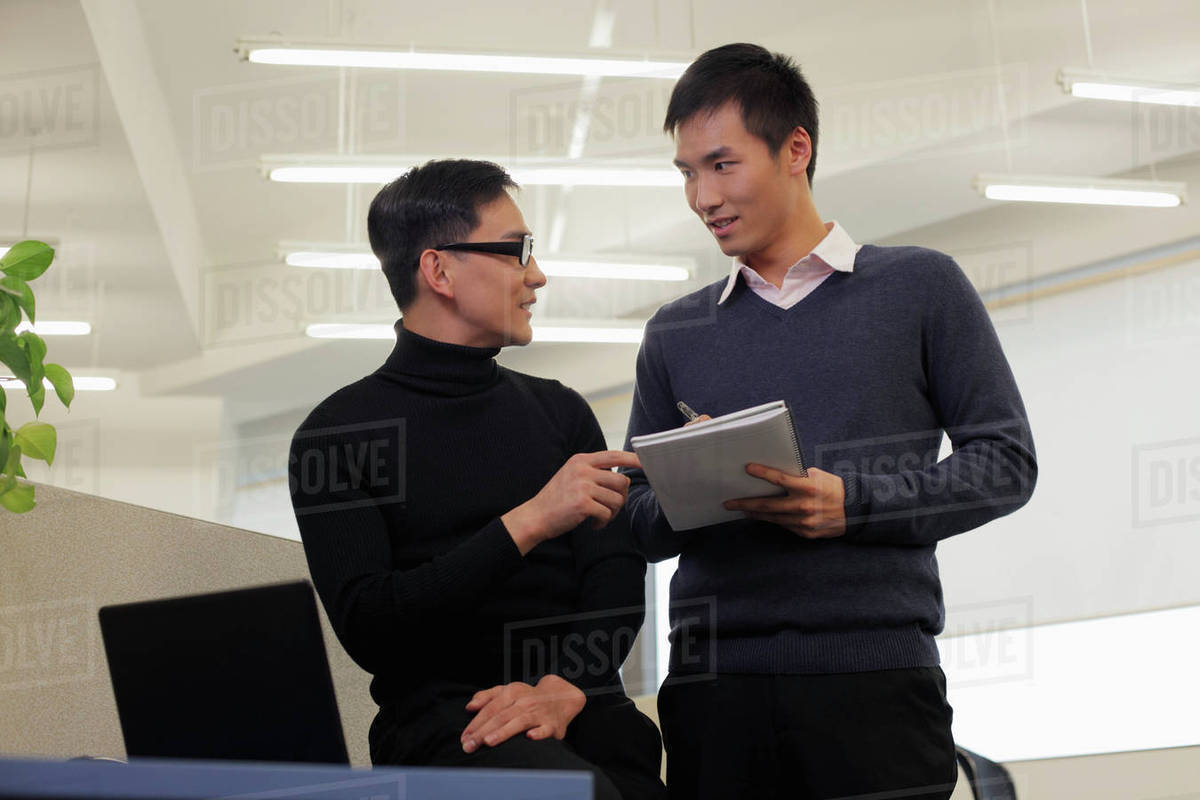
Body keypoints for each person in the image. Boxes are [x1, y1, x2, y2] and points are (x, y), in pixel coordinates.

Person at [622, 44, 1038, 799]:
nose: (701, 196)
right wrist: (694, 483)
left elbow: (1006, 463)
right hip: (714, 694)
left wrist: (856, 506)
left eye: (721, 164)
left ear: (796, 150)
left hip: (874, 683)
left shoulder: (920, 287)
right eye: (685, 172)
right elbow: (637, 523)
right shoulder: (674, 332)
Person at [289, 159, 666, 800]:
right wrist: (529, 522)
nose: (537, 276)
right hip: (456, 733)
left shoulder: (560, 411)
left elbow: (616, 570)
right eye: (518, 252)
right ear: (438, 271)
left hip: (583, 714)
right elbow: (372, 626)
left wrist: (561, 687)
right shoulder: (337, 436)